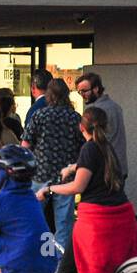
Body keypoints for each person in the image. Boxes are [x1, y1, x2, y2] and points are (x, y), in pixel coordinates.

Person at [45, 107, 137, 273]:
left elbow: (77, 186)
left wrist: (49, 189)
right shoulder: (107, 147)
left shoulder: (88, 149)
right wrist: (72, 168)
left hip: (97, 222)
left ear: (81, 127)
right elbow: (87, 166)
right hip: (121, 216)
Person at [21, 78, 84, 254]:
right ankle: (59, 264)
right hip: (65, 179)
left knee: (37, 220)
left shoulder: (39, 115)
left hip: (40, 175)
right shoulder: (74, 117)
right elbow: (83, 146)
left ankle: (41, 255)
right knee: (63, 224)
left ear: (49, 95)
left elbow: (25, 145)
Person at [75, 72, 129, 181]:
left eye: (84, 91)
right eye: (79, 91)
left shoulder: (96, 111)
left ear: (96, 89)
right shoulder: (115, 106)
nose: (82, 95)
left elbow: (95, 141)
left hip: (106, 169)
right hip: (119, 166)